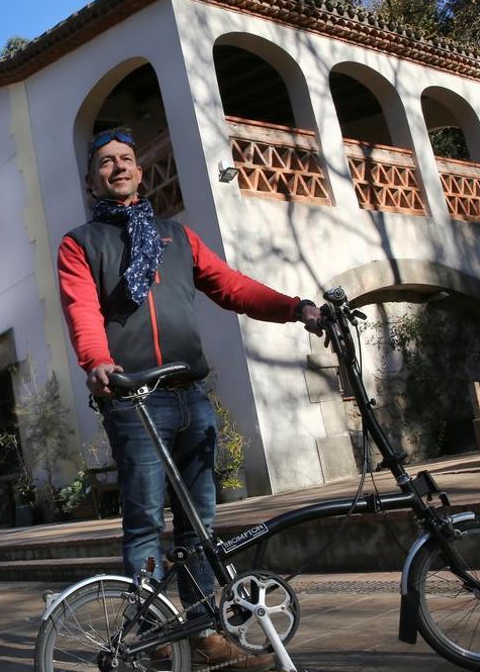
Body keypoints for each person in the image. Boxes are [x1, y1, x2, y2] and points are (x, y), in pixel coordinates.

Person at [57, 127, 321, 669]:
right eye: (106, 162)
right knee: (145, 523)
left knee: (200, 524)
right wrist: (97, 362)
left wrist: (296, 307)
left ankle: (203, 635)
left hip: (190, 396)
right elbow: (82, 309)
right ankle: (154, 639)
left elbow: (232, 286)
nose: (119, 167)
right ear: (92, 179)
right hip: (134, 403)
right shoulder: (80, 243)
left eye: (127, 158)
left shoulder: (176, 235)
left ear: (139, 169)